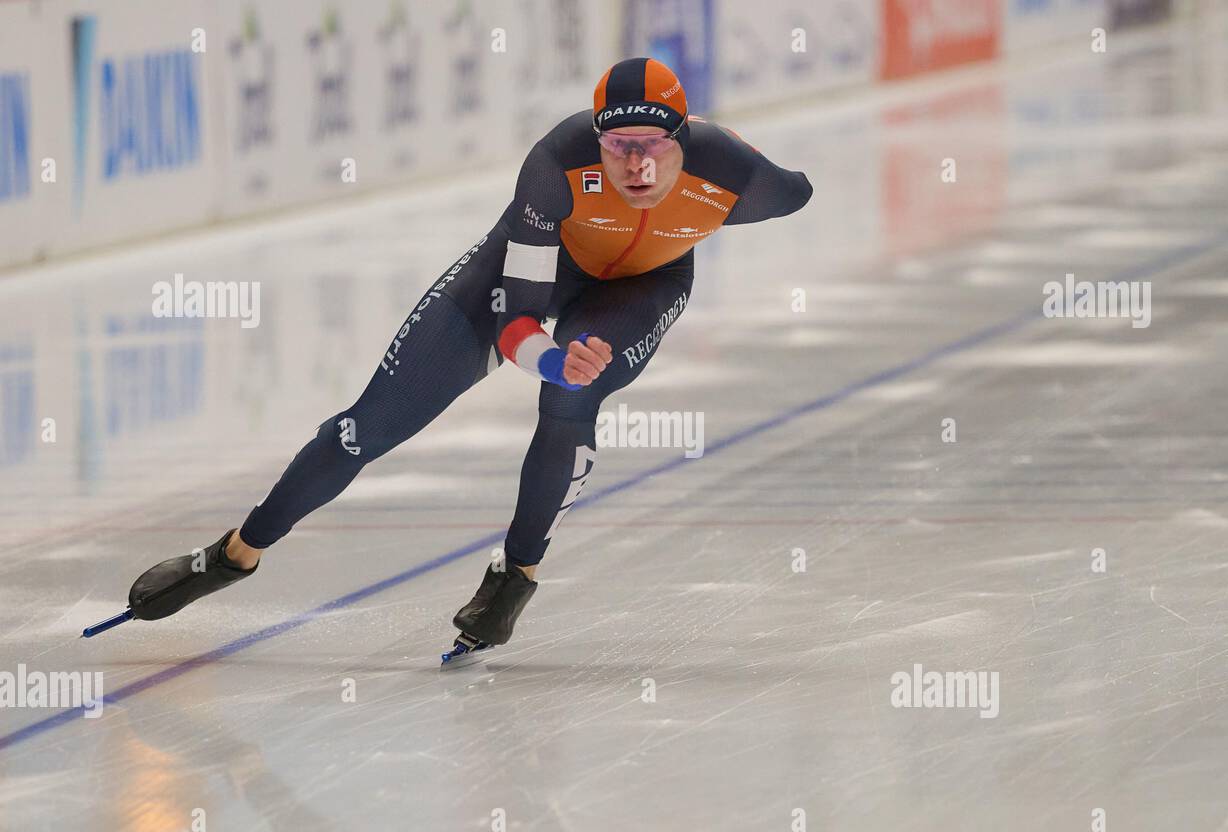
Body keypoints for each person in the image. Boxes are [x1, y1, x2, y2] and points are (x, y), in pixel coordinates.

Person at [124, 57, 813, 664]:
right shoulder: (555, 165)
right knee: (369, 424)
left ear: (684, 141)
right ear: (597, 140)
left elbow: (799, 187)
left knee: (573, 398)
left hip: (644, 287)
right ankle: (235, 552)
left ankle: (516, 575)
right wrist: (548, 360)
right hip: (546, 269)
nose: (636, 166)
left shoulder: (740, 176)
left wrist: (567, 372)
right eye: (618, 146)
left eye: (654, 147)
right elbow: (515, 321)